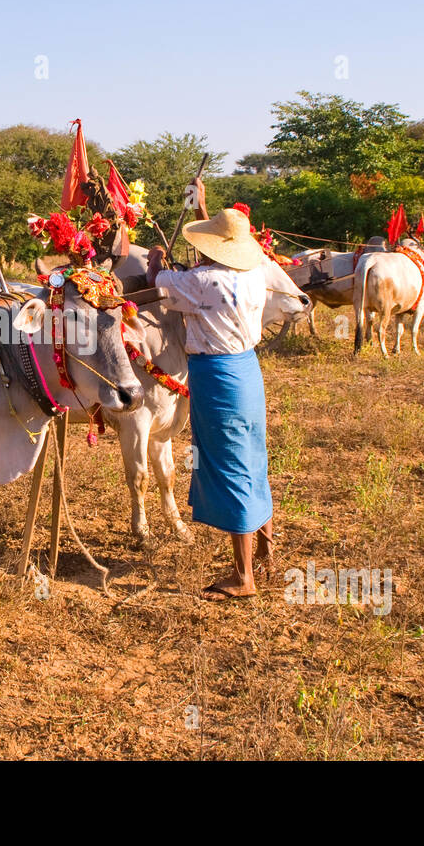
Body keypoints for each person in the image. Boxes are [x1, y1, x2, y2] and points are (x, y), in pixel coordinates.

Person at [147, 178, 276, 600]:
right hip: (247, 372)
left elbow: (160, 282)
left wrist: (154, 260)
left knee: (228, 465)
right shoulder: (254, 274)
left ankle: (243, 578)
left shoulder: (201, 283)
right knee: (252, 458)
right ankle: (264, 552)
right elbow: (217, 258)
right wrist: (204, 210)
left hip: (217, 377)